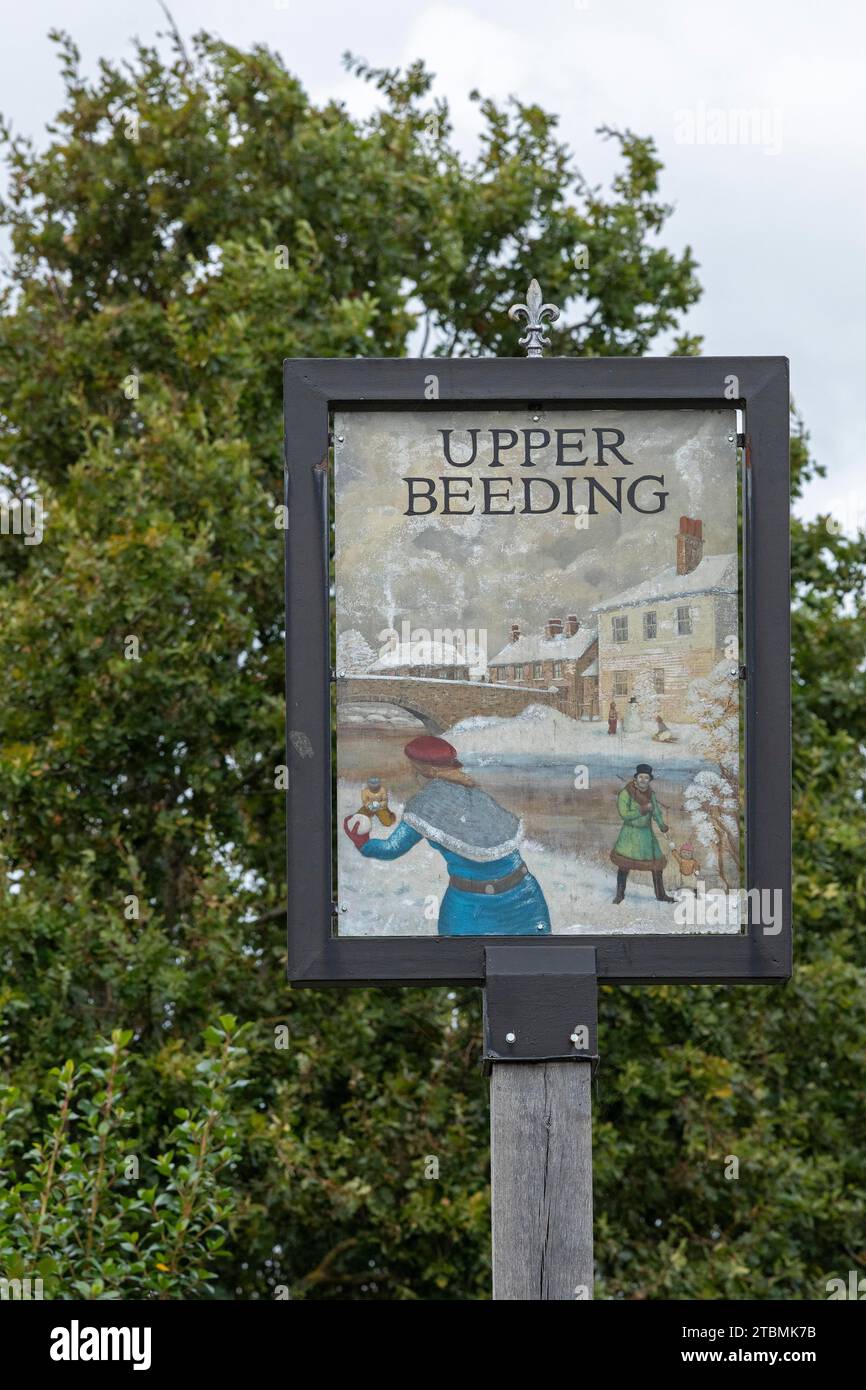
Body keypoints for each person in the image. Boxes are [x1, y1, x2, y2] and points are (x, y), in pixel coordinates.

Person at [342, 735, 551, 936]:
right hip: (525, 899)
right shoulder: (478, 795)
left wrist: (361, 841)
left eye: (412, 768)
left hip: (468, 910)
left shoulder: (424, 805)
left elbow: (391, 848)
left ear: (426, 771)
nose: (411, 774)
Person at [610, 763, 675, 904]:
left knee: (657, 865)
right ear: (635, 778)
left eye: (646, 778)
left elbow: (656, 812)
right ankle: (619, 895)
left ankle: (661, 895)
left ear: (649, 780)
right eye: (641, 777)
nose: (643, 780)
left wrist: (663, 826)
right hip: (630, 835)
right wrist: (643, 809)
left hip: (647, 835)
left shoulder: (651, 794)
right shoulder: (625, 793)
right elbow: (624, 814)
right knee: (624, 865)